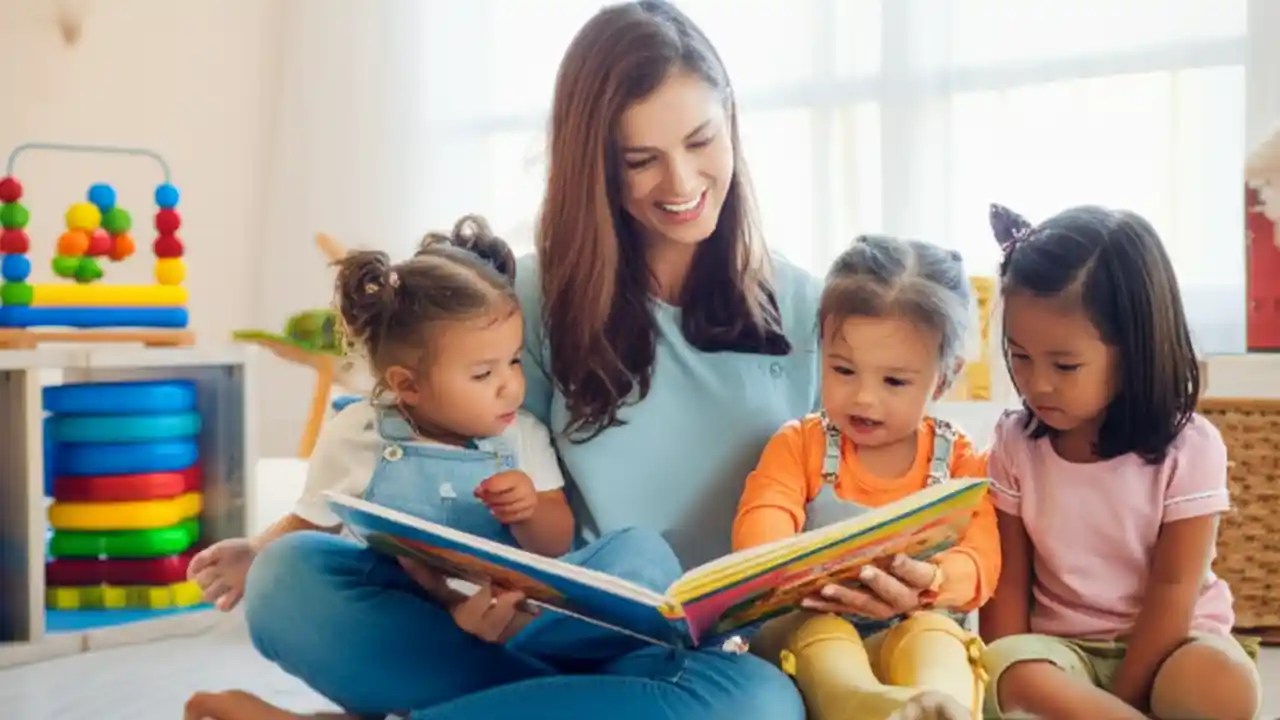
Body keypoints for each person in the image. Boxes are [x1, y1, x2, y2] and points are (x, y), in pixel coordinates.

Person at [189, 2, 820, 718]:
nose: (680, 183)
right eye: (640, 161)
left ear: (731, 117)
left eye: (701, 140)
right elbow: (414, 438)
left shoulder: (808, 311)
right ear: (595, 167)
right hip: (518, 628)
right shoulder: (525, 300)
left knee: (758, 706)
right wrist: (445, 584)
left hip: (695, 657)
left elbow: (847, 498)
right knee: (289, 580)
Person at [185, 214, 574, 616]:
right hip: (404, 609)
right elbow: (311, 520)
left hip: (506, 612)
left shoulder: (521, 434)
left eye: (514, 360)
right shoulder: (359, 433)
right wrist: (255, 552)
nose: (511, 385)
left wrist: (529, 510)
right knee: (290, 567)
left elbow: (556, 543)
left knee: (606, 563)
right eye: (482, 374)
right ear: (407, 385)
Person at [978, 204, 1262, 720]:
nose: (1037, 384)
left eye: (1065, 365)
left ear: (1135, 350)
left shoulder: (1190, 448)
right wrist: (1003, 665)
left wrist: (1122, 699)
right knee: (1002, 668)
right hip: (1063, 655)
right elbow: (1008, 584)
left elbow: (1173, 590)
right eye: (1020, 357)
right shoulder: (1015, 443)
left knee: (1221, 684)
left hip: (1171, 645)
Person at [732, 236, 999, 720]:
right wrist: (790, 571)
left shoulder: (958, 459)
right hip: (815, 628)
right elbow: (761, 528)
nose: (864, 398)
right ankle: (870, 705)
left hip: (912, 626)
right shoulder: (801, 444)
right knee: (823, 635)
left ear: (943, 378)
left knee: (936, 636)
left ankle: (939, 706)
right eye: (843, 370)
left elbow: (981, 559)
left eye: (894, 381)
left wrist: (932, 580)